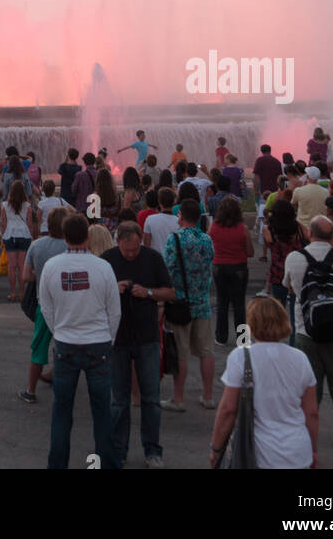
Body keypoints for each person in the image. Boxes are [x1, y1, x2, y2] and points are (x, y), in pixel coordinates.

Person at [38, 213, 122, 469]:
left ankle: (57, 464)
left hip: (65, 345)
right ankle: (108, 463)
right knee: (102, 413)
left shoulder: (52, 267)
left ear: (64, 238)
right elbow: (114, 311)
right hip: (98, 344)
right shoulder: (103, 267)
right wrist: (109, 340)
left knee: (62, 413)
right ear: (87, 236)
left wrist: (59, 331)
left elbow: (46, 307)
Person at [209, 295, 319, 469]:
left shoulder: (240, 357)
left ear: (251, 325)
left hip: (259, 453)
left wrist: (216, 448)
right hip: (298, 451)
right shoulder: (301, 358)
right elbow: (311, 412)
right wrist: (313, 450)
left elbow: (228, 409)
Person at [102, 221, 174, 468]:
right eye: (126, 250)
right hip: (117, 338)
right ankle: (118, 451)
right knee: (118, 401)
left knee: (151, 399)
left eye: (134, 249)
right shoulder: (107, 260)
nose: (131, 254)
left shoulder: (152, 258)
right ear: (117, 242)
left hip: (147, 338)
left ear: (140, 241)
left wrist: (149, 293)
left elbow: (170, 292)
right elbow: (96, 294)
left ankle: (153, 450)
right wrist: (115, 288)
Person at [283, 214, 333, 450]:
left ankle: (309, 452)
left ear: (309, 233)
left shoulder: (294, 258)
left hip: (306, 334)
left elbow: (289, 288)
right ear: (332, 235)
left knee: (309, 398)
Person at [162, 198, 216, 411]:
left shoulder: (174, 239)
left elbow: (168, 268)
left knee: (181, 352)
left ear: (181, 216)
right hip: (202, 301)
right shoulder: (206, 239)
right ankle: (208, 396)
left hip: (180, 303)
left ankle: (178, 398)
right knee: (206, 351)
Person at [18, 206, 68, 403]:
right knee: (65, 345)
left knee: (39, 348)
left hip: (44, 303)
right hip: (68, 303)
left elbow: (26, 276)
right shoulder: (70, 246)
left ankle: (30, 390)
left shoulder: (37, 246)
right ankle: (62, 383)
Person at [208, 195, 254, 346]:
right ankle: (242, 339)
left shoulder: (213, 227)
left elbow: (209, 247)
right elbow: (250, 252)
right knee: (239, 305)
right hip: (238, 267)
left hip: (219, 267)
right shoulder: (243, 228)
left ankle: (221, 337)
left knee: (222, 303)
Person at [263, 198, 304, 345]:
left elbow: (268, 243)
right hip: (295, 270)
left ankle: (275, 342)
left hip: (277, 272)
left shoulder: (269, 229)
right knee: (295, 314)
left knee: (277, 312)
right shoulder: (297, 228)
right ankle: (294, 344)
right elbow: (308, 236)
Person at [1, 181, 34, 302]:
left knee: (12, 266)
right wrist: (31, 235)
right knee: (21, 266)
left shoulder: (4, 205)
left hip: (10, 234)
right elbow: (29, 223)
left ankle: (12, 293)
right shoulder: (27, 206)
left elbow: (3, 223)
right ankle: (22, 293)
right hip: (24, 234)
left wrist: (3, 236)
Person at [291, 165, 329, 232]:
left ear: (307, 177)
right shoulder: (326, 192)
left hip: (303, 227)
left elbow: (293, 205)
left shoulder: (299, 190)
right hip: (319, 227)